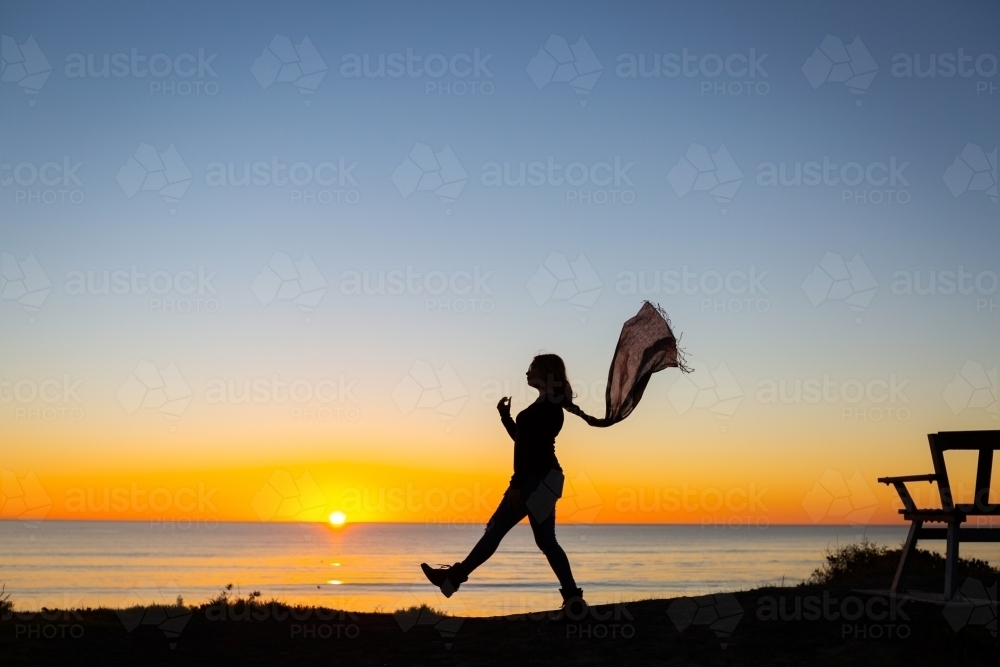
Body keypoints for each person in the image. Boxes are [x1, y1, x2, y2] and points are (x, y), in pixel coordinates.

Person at [421, 354, 585, 610]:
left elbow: (533, 452)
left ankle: (452, 579)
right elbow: (524, 442)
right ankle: (574, 599)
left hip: (535, 479)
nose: (527, 372)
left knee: (497, 529)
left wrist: (516, 484)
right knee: (545, 541)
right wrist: (505, 417)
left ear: (546, 371)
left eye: (532, 368)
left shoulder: (548, 407)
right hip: (545, 479)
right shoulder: (547, 404)